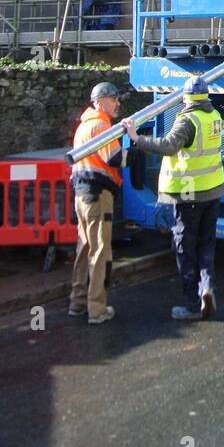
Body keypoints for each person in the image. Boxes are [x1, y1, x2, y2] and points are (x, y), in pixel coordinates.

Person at [122, 75, 224, 321]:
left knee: (185, 247)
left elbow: (168, 146)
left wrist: (136, 138)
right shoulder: (215, 117)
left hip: (189, 194)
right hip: (212, 191)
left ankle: (191, 304)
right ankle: (206, 287)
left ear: (186, 97)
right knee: (206, 244)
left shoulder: (189, 121)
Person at [68, 81, 124, 324]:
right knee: (100, 250)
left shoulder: (84, 125)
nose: (118, 103)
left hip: (82, 194)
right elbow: (114, 158)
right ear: (100, 101)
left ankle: (77, 303)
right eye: (114, 98)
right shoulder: (101, 125)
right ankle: (97, 309)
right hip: (98, 195)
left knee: (84, 248)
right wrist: (137, 143)